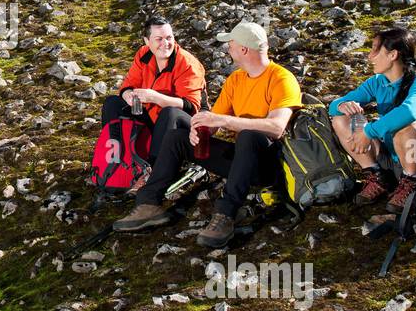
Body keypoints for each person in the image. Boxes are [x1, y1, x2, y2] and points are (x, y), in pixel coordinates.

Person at [114, 20, 302, 248]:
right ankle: (149, 204)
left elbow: (276, 127)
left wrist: (224, 121)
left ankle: (226, 214)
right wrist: (199, 129)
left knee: (249, 135)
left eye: (231, 44)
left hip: (268, 166)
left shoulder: (281, 78)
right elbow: (214, 121)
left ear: (243, 49)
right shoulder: (236, 79)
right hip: (240, 161)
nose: (228, 49)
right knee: (177, 138)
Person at [329, 26, 416, 213]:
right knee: (341, 119)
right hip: (392, 158)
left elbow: (409, 112)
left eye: (375, 50)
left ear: (392, 55)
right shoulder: (377, 82)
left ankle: (411, 184)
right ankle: (377, 177)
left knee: (408, 125)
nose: (370, 56)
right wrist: (342, 105)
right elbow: (334, 105)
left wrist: (369, 131)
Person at [100, 15, 206, 192]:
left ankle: (152, 172)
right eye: (159, 39)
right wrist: (128, 95)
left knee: (169, 112)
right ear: (147, 41)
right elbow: (128, 85)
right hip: (152, 117)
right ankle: (117, 160)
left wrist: (155, 97)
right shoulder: (144, 54)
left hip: (186, 126)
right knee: (112, 103)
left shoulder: (187, 64)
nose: (166, 43)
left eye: (169, 37)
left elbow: (190, 106)